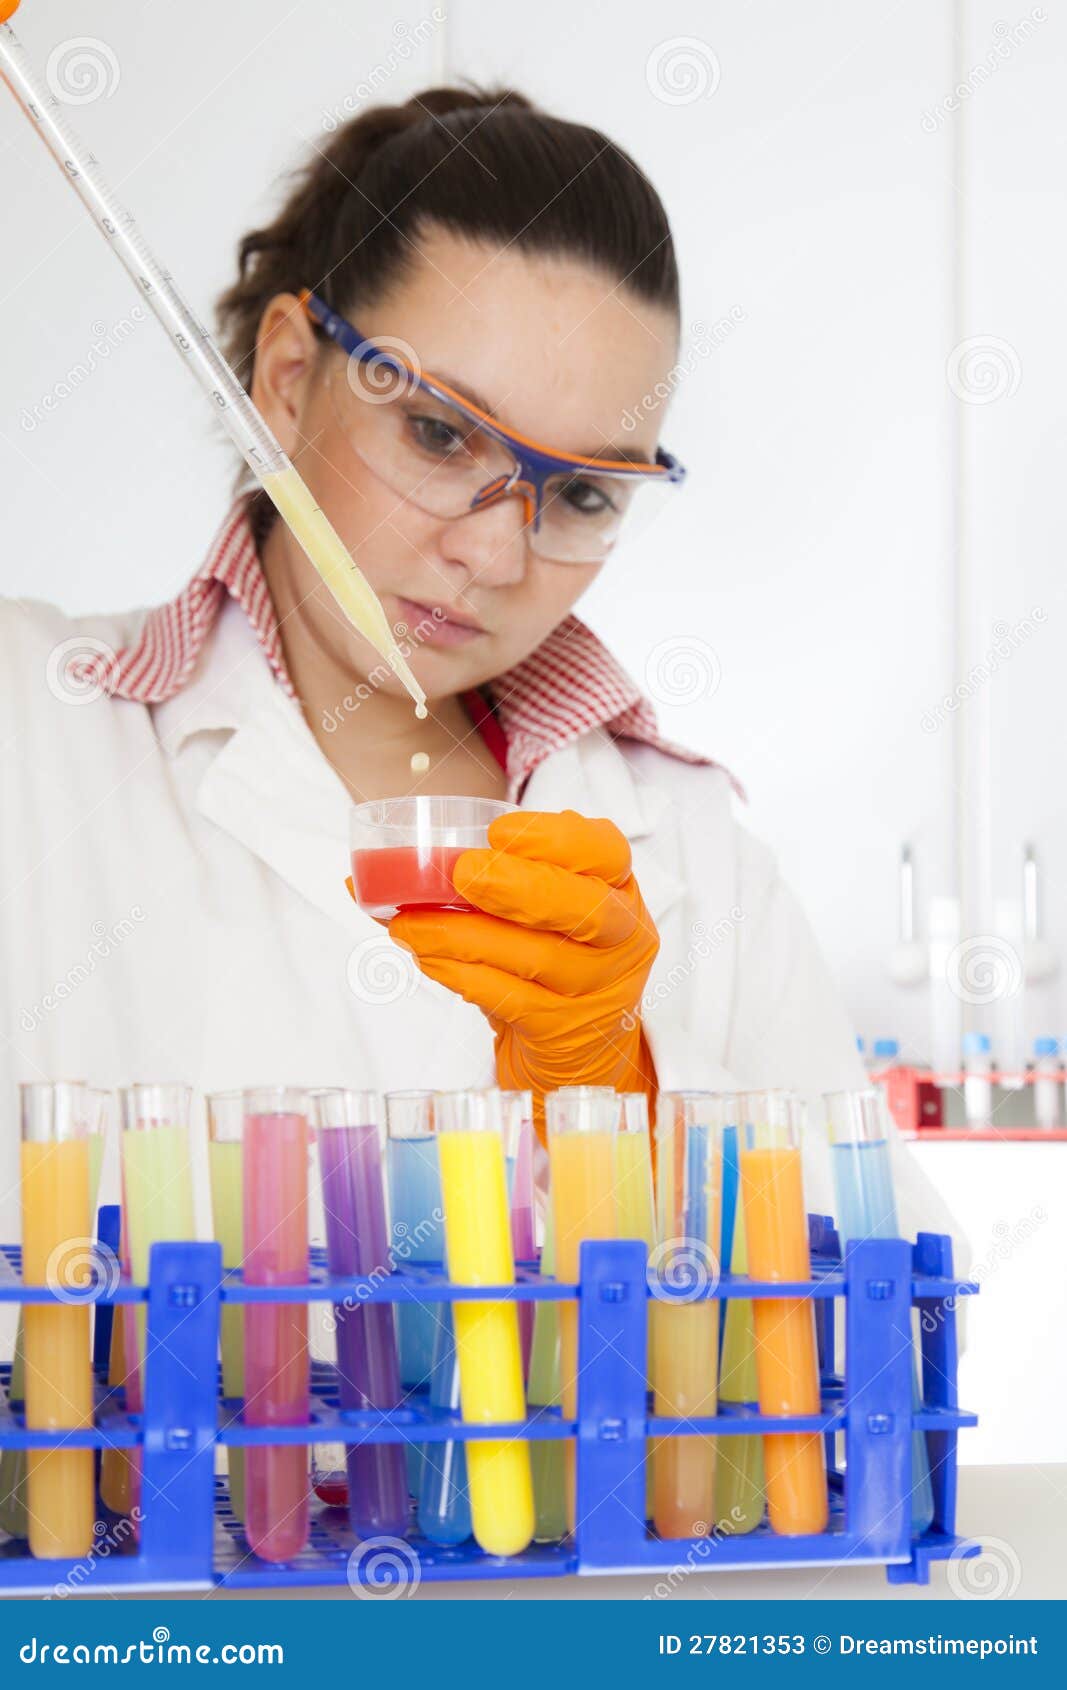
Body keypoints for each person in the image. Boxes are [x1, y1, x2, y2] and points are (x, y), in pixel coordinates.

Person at [0, 86, 951, 1246]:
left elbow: (888, 1342)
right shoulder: (32, 722)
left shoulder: (685, 837)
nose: (495, 550)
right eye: (441, 434)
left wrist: (627, 1097)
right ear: (290, 379)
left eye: (583, 492)